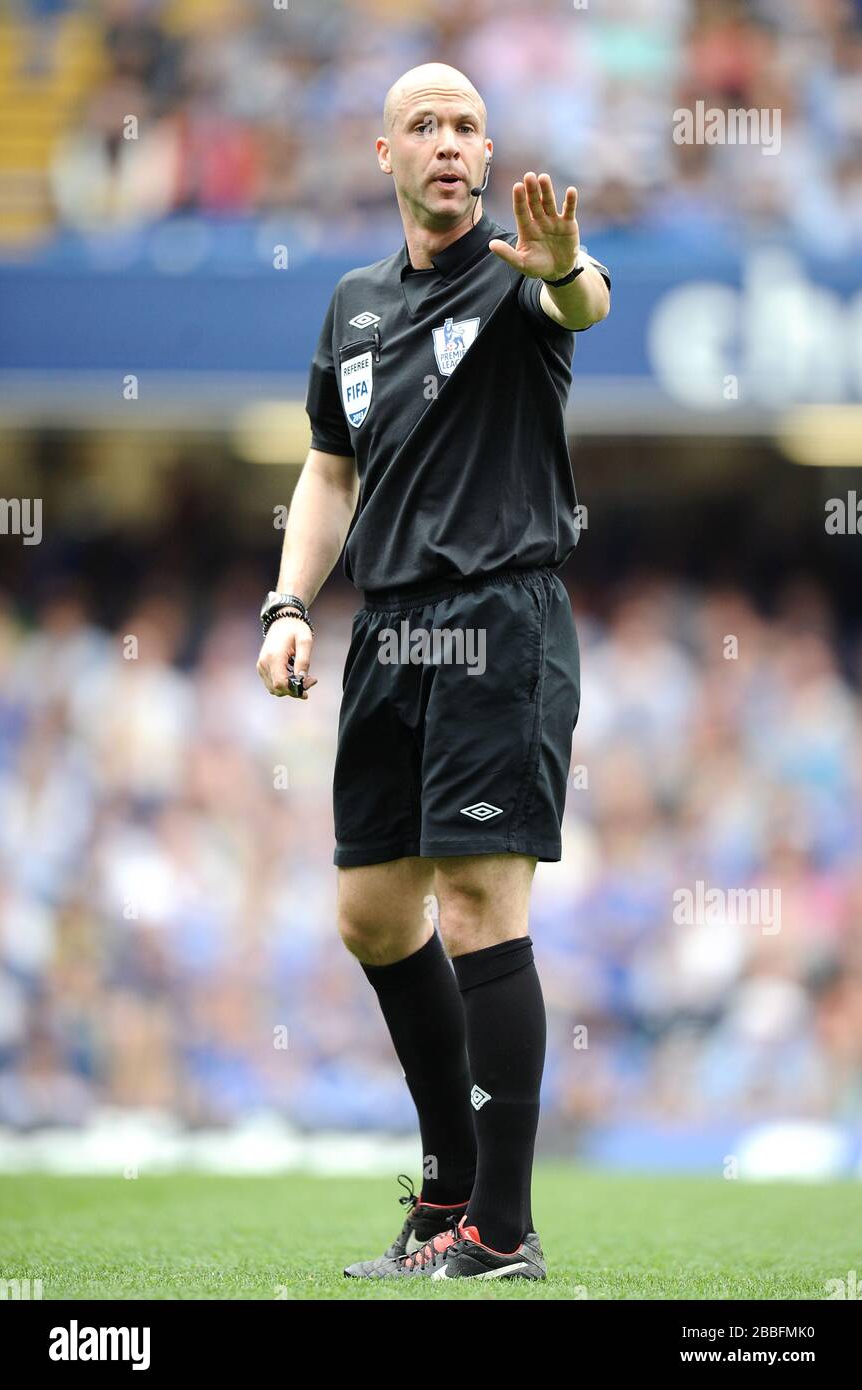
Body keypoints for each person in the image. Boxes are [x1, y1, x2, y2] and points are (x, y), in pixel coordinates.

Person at [256, 61, 610, 1281]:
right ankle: (447, 1188)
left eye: (466, 125)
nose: (449, 144)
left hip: (498, 619)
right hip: (390, 631)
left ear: (485, 147)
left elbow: (583, 303)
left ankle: (499, 1228)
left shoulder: (520, 279)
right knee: (368, 914)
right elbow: (328, 471)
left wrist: (561, 262)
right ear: (385, 154)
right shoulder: (352, 303)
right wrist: (290, 601)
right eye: (425, 126)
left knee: (475, 909)